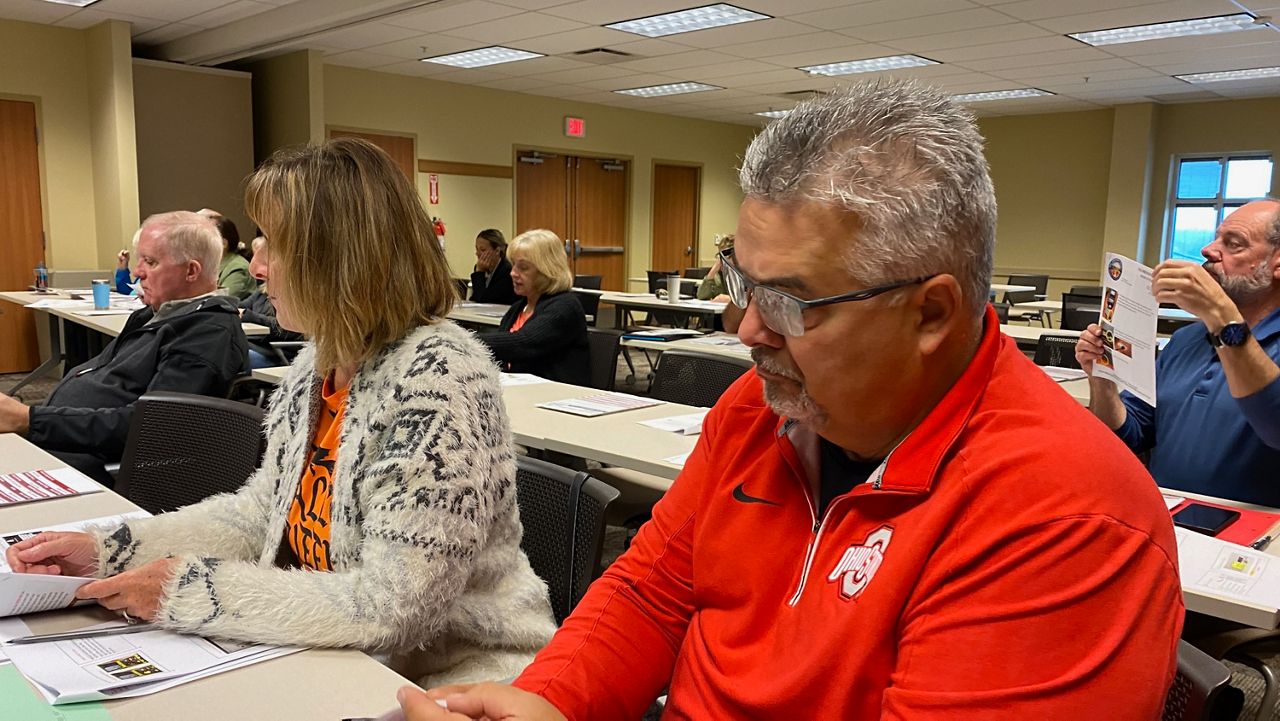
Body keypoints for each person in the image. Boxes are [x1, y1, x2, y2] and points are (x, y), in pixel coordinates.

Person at [397, 79, 1182, 720]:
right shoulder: (759, 411)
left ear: (932, 313)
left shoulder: (1066, 519)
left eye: (790, 301)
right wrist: (549, 699)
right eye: (743, 282)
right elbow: (649, 591)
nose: (746, 329)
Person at [6, 138, 556, 686]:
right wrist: (109, 549)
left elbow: (394, 607)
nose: (258, 265)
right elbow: (261, 511)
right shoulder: (318, 363)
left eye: (274, 245)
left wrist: (187, 590)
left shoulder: (438, 378)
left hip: (454, 674)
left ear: (339, 257)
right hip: (335, 651)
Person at [0, 211, 249, 484]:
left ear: (191, 270)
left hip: (93, 465)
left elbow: (149, 426)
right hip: (62, 441)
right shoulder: (151, 315)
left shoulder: (207, 334)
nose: (137, 271)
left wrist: (29, 419)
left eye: (150, 262)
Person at [1076, 199, 1280, 505]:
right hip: (1169, 519)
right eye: (1216, 237)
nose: (1209, 250)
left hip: (1258, 537)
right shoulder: (1186, 340)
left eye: (1233, 243)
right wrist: (1103, 382)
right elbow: (1131, 435)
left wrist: (1220, 316)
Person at [477, 229, 589, 384]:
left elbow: (523, 343)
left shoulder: (565, 306)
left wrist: (462, 339)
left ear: (547, 270)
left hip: (556, 396)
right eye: (513, 266)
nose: (513, 273)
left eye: (522, 268)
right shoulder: (518, 307)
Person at [238, 235, 305, 369]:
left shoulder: (293, 299)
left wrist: (248, 316)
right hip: (256, 345)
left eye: (272, 252)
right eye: (255, 252)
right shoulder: (262, 291)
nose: (253, 268)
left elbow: (286, 330)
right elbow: (239, 306)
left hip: (277, 353)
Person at [200, 209, 256, 300]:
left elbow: (222, 301)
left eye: (205, 237)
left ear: (223, 243)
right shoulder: (207, 264)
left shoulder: (238, 267)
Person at [696, 234, 743, 333]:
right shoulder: (719, 275)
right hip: (719, 320)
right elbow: (701, 295)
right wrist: (713, 270)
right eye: (720, 255)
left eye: (726, 255)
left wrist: (731, 299)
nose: (723, 259)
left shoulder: (745, 273)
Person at [470, 228, 517, 305]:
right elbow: (475, 297)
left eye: (482, 250)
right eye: (476, 249)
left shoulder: (507, 270)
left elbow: (483, 298)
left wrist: (479, 273)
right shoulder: (480, 267)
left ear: (497, 251)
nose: (477, 253)